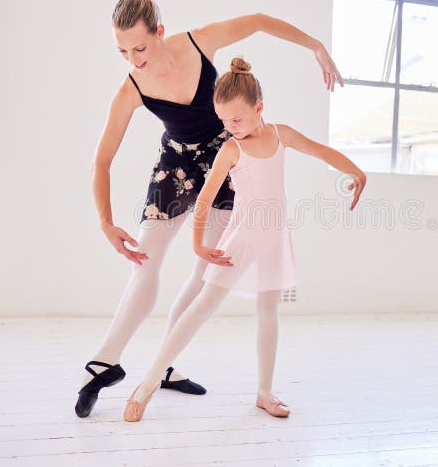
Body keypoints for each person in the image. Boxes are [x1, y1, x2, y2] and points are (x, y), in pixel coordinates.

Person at [76, 0, 344, 418]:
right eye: (123, 53)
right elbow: (101, 161)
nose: (133, 61)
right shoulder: (131, 89)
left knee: (207, 272)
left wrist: (315, 45)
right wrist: (106, 223)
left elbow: (258, 21)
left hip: (225, 161)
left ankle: (163, 365)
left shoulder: (199, 44)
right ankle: (103, 363)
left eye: (139, 49)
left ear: (160, 31)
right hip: (176, 165)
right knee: (145, 260)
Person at [123, 57, 366, 422]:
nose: (229, 127)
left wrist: (355, 170)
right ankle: (147, 385)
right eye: (223, 121)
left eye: (236, 119)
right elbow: (203, 200)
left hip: (275, 235)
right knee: (203, 306)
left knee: (268, 312)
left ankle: (265, 392)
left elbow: (320, 151)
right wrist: (198, 246)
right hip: (242, 237)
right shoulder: (232, 149)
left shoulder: (281, 135)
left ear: (259, 108)